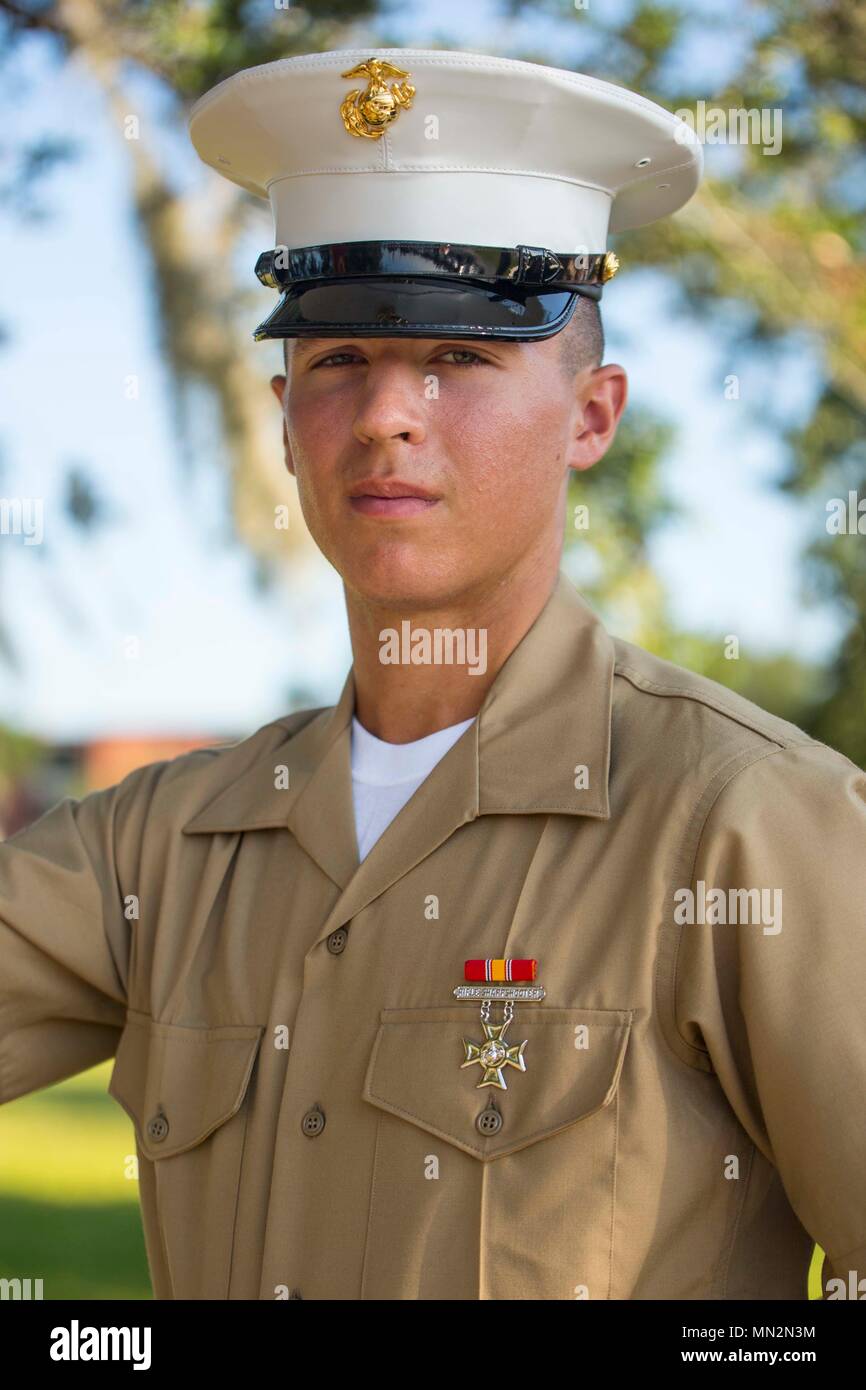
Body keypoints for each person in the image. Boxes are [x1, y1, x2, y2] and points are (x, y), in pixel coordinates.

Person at [1, 47, 864, 1302]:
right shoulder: (161, 848)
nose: (385, 414)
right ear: (282, 408)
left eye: (459, 361)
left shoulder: (745, 821)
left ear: (591, 416)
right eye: (338, 360)